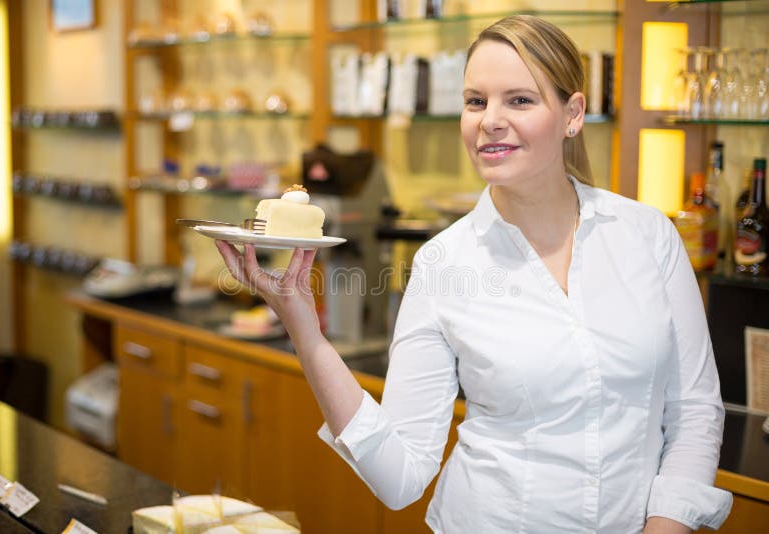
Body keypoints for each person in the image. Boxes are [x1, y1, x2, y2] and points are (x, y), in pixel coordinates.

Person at [216, 15, 732, 534]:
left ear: (573, 114)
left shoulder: (647, 236)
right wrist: (306, 332)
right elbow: (400, 476)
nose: (490, 120)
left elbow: (694, 412)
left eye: (520, 100)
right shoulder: (444, 262)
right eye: (475, 101)